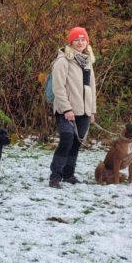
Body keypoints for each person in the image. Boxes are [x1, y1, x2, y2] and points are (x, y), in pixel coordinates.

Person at [48, 27, 97, 188]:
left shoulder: (87, 61)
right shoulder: (63, 61)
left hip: (84, 111)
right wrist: (67, 109)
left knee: (76, 142)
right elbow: (58, 87)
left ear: (87, 42)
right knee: (67, 139)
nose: (80, 43)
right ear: (71, 42)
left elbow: (92, 87)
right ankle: (55, 176)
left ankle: (69, 175)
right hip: (66, 110)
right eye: (77, 40)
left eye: (83, 40)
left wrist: (92, 110)